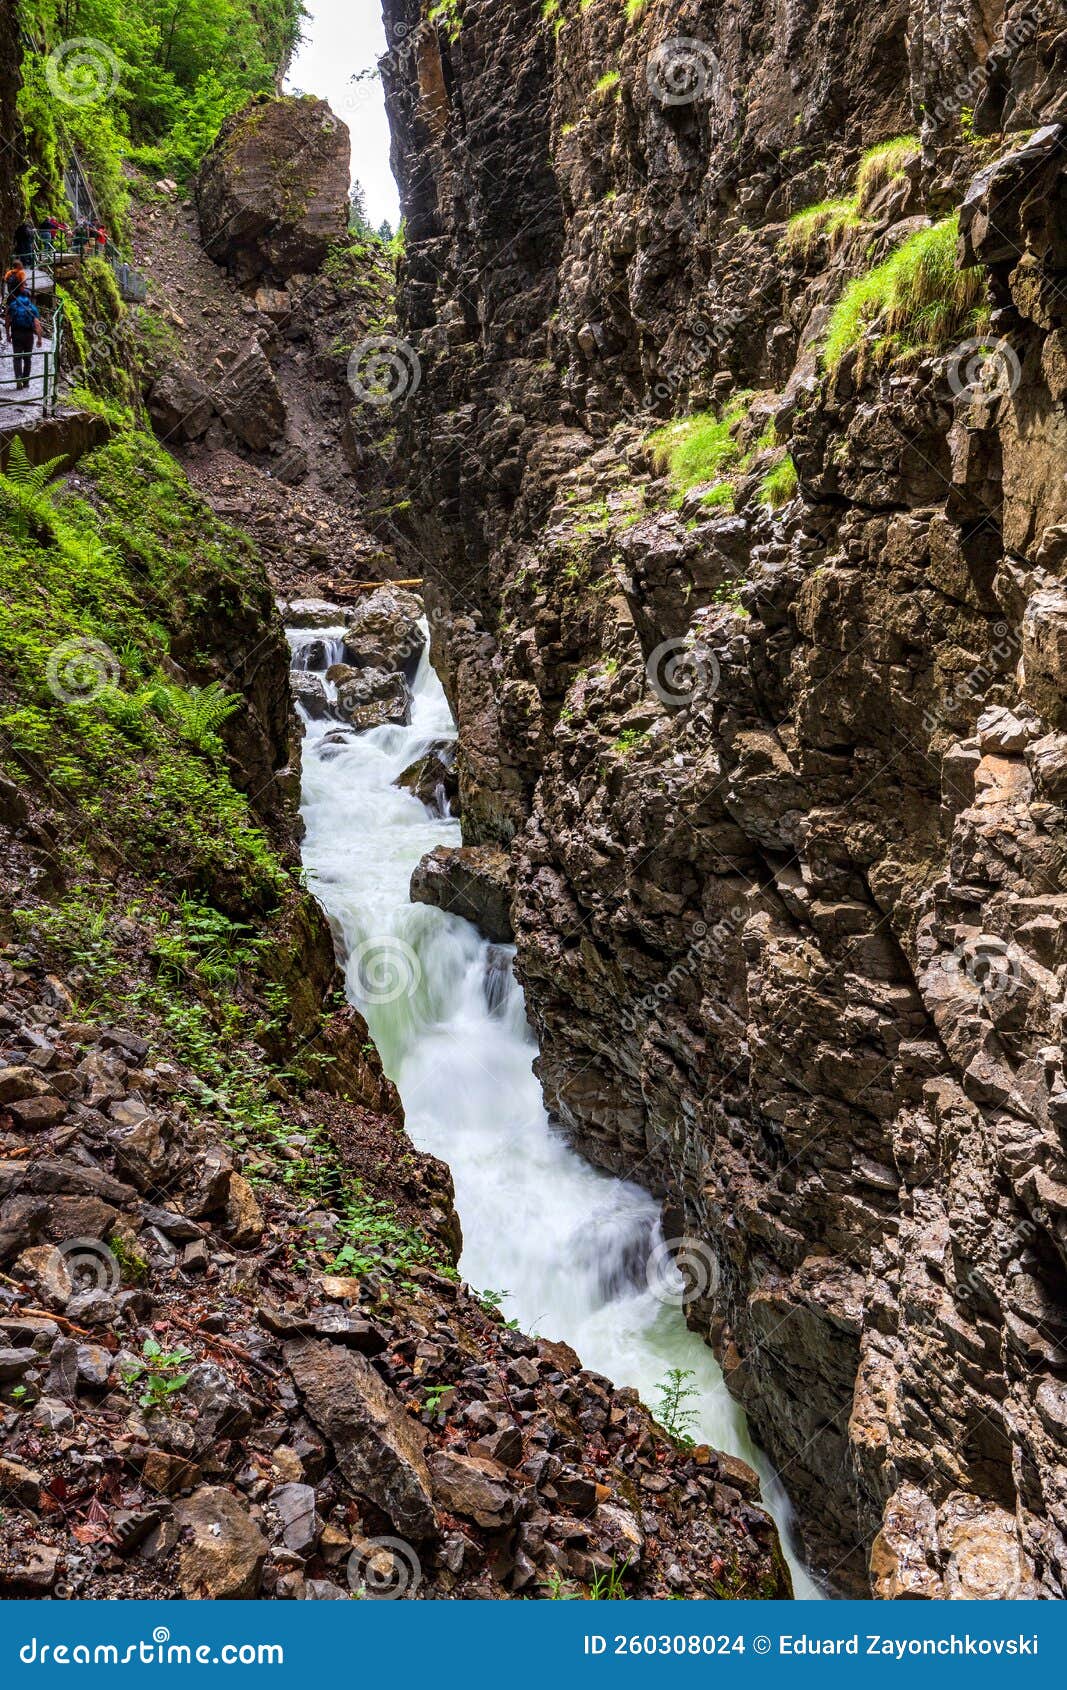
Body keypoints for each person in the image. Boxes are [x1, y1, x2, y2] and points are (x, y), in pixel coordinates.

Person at [6, 281, 44, 391]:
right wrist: (39, 339)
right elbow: (37, 324)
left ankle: (18, 379)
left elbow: (7, 320)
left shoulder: (13, 305)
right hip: (28, 335)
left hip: (16, 333)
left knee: (17, 358)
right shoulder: (32, 308)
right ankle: (26, 381)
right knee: (27, 359)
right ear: (29, 297)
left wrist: (8, 334)